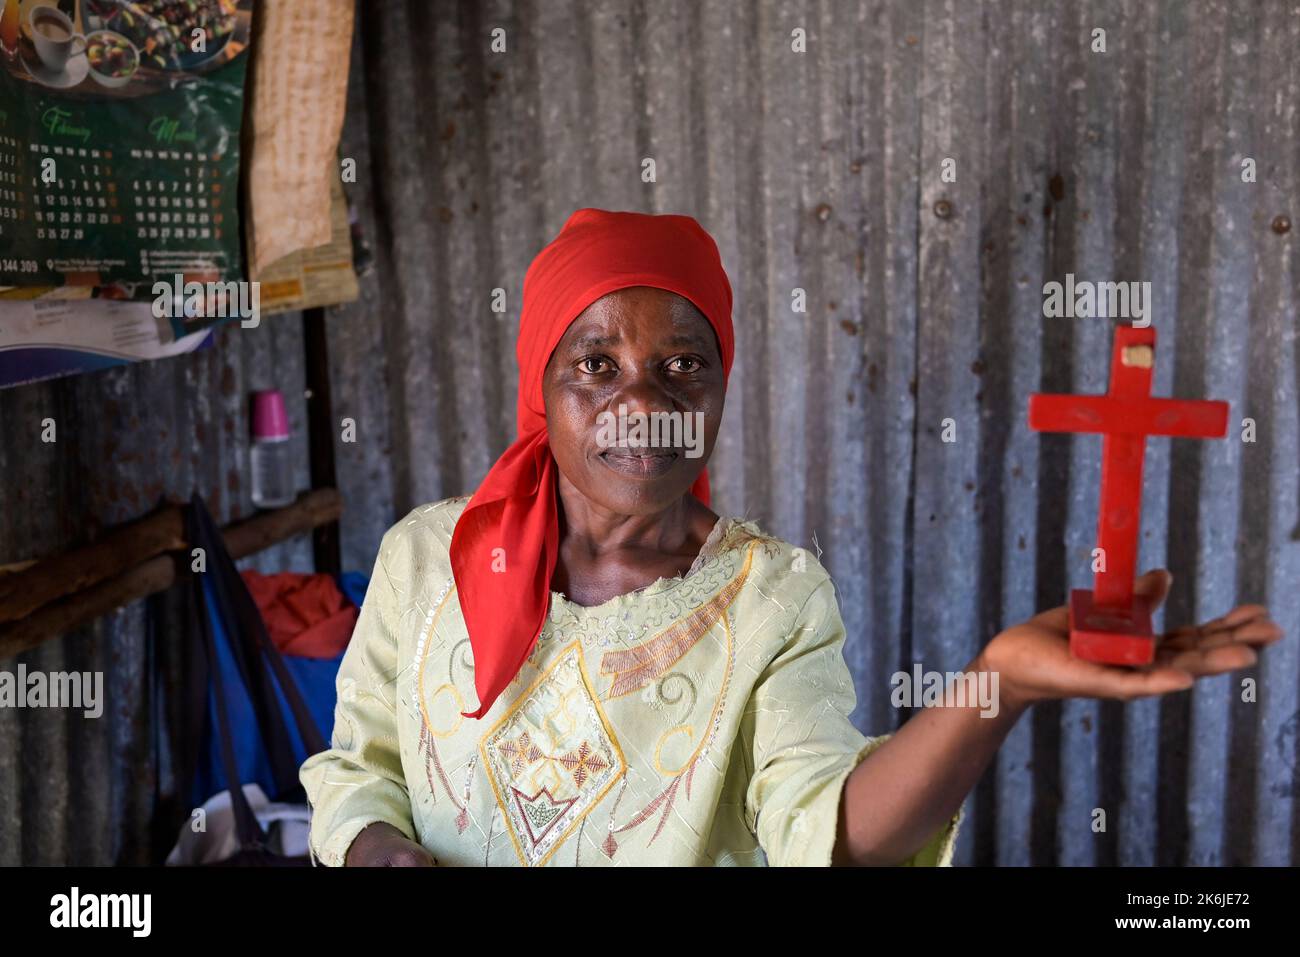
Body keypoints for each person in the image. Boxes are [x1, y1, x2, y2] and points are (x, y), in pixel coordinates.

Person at [300, 208, 1282, 867]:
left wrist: (999, 684)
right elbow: (358, 769)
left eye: (682, 365)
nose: (641, 401)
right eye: (596, 363)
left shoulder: (769, 596)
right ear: (539, 390)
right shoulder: (428, 557)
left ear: (719, 393)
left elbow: (825, 830)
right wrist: (380, 853)